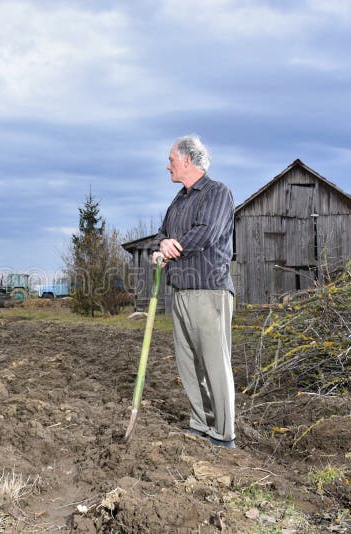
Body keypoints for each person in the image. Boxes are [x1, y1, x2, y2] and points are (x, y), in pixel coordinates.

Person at [152, 134, 236, 448]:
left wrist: (174, 247)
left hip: (209, 290)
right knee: (188, 364)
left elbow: (207, 232)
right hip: (182, 291)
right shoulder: (179, 201)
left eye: (171, 159)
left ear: (187, 160)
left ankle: (224, 433)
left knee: (214, 362)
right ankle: (201, 423)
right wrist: (161, 244)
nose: (167, 166)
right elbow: (162, 234)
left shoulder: (217, 193)